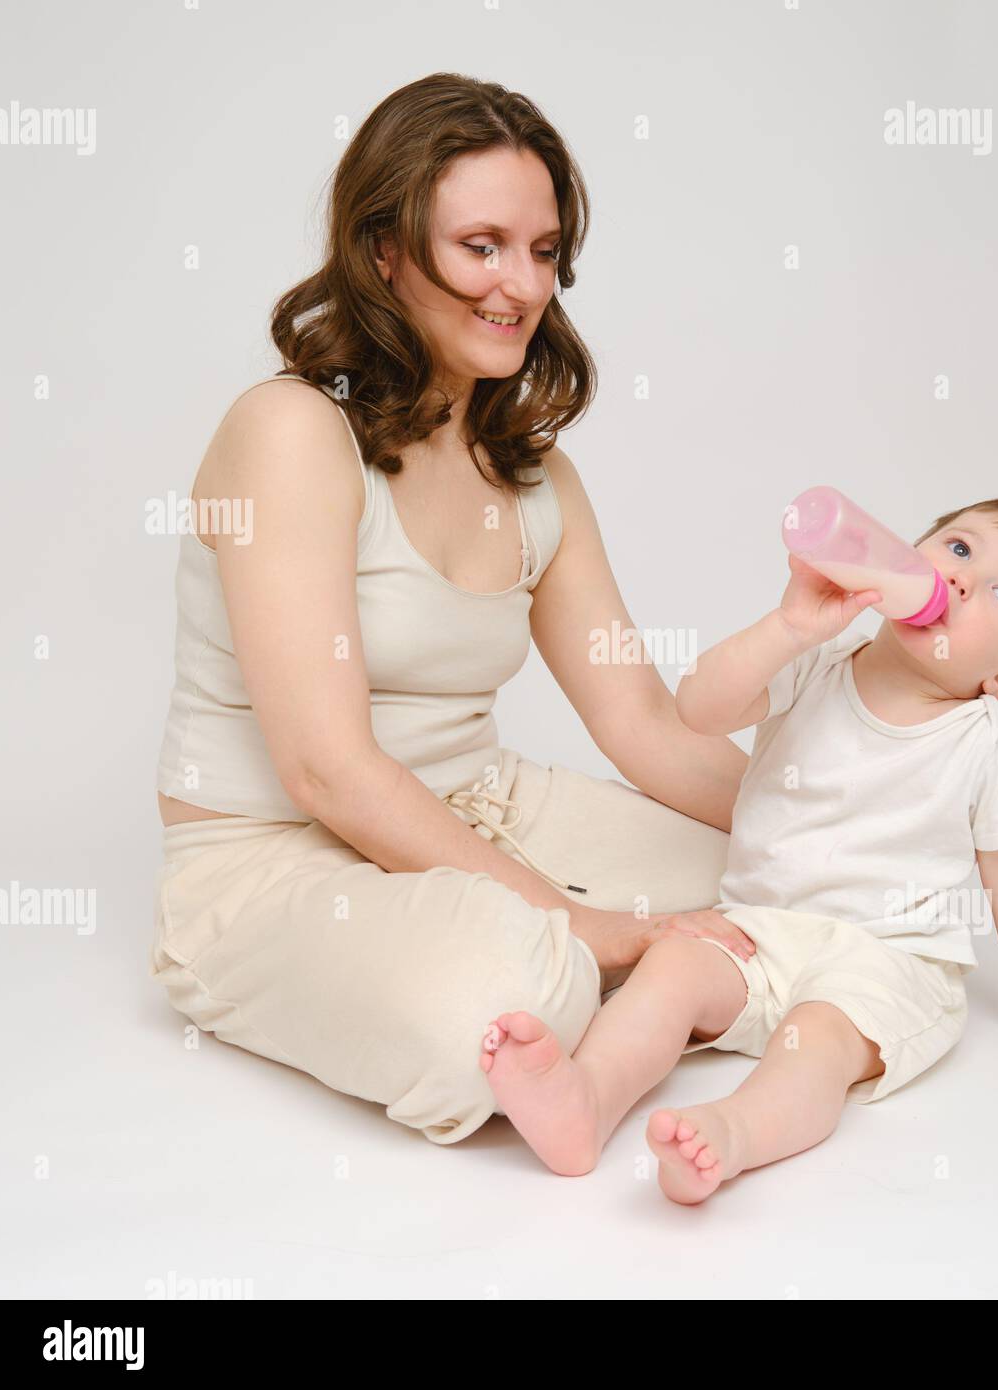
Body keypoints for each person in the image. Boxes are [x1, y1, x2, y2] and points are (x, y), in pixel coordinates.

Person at [151, 73, 755, 1146]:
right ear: (383, 250)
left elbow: (646, 726)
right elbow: (327, 771)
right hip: (275, 859)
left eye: (543, 249)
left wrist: (848, 817)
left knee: (784, 885)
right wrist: (584, 925)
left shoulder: (533, 474)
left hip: (480, 810)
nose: (522, 285)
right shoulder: (291, 431)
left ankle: (623, 989)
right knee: (500, 998)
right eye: (482, 246)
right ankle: (601, 987)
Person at [479, 499, 998, 1204]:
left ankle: (733, 1134)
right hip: (761, 930)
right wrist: (788, 627)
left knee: (818, 1036)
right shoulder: (815, 664)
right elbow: (698, 709)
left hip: (889, 958)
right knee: (671, 965)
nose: (961, 580)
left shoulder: (983, 742)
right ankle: (585, 1099)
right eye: (958, 549)